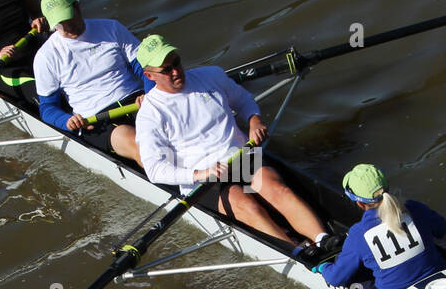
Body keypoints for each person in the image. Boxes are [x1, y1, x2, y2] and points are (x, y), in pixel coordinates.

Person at [135, 34, 339, 260]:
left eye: (176, 62)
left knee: (275, 188)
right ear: (149, 75)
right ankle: (299, 253)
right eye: (166, 69)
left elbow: (243, 100)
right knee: (246, 205)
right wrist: (202, 173)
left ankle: (323, 239)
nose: (175, 71)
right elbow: (154, 170)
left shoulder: (210, 76)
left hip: (241, 157)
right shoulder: (150, 115)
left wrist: (254, 121)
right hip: (204, 180)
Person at [33, 0, 146, 164]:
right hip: (96, 119)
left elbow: (146, 68)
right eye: (60, 23)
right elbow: (47, 108)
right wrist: (66, 121)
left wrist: (151, 92)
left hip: (134, 100)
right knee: (142, 149)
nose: (67, 27)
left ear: (77, 7)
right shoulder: (46, 56)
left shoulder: (111, 28)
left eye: (68, 17)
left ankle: (199, 175)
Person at [318, 164, 446, 289]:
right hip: (438, 276)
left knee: (352, 272)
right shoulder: (414, 208)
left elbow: (335, 279)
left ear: (360, 203)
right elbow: (442, 229)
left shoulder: (358, 233)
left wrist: (324, 268)